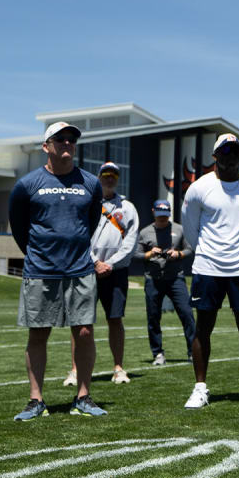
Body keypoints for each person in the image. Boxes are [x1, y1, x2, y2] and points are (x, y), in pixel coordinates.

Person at [8, 121, 106, 420]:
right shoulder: (27, 184)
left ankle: (84, 396)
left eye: (71, 140)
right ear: (46, 146)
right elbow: (19, 227)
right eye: (60, 139)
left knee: (85, 332)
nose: (67, 144)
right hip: (41, 270)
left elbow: (89, 223)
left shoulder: (90, 183)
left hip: (80, 269)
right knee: (38, 334)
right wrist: (40, 254)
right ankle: (36, 400)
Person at [180, 133, 239, 410]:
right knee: (203, 328)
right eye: (225, 152)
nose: (230, 157)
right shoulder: (199, 188)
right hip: (208, 266)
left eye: (235, 153)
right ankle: (200, 388)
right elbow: (190, 229)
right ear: (214, 156)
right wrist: (209, 251)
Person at [65, 161, 137, 387]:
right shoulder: (87, 204)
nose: (109, 178)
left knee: (115, 319)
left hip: (116, 272)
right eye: (105, 174)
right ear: (98, 177)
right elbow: (78, 236)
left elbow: (130, 243)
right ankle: (76, 370)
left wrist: (110, 264)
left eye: (113, 175)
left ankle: (118, 368)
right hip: (86, 269)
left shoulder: (128, 207)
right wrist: (95, 262)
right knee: (81, 322)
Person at [135, 199, 196, 366]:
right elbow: (135, 254)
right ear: (153, 212)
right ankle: (158, 353)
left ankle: (193, 351)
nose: (162, 219)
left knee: (187, 314)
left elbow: (190, 249)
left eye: (165, 216)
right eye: (160, 215)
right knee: (153, 317)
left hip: (176, 278)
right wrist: (149, 254)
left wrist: (178, 254)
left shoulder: (179, 229)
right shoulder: (145, 232)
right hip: (153, 279)